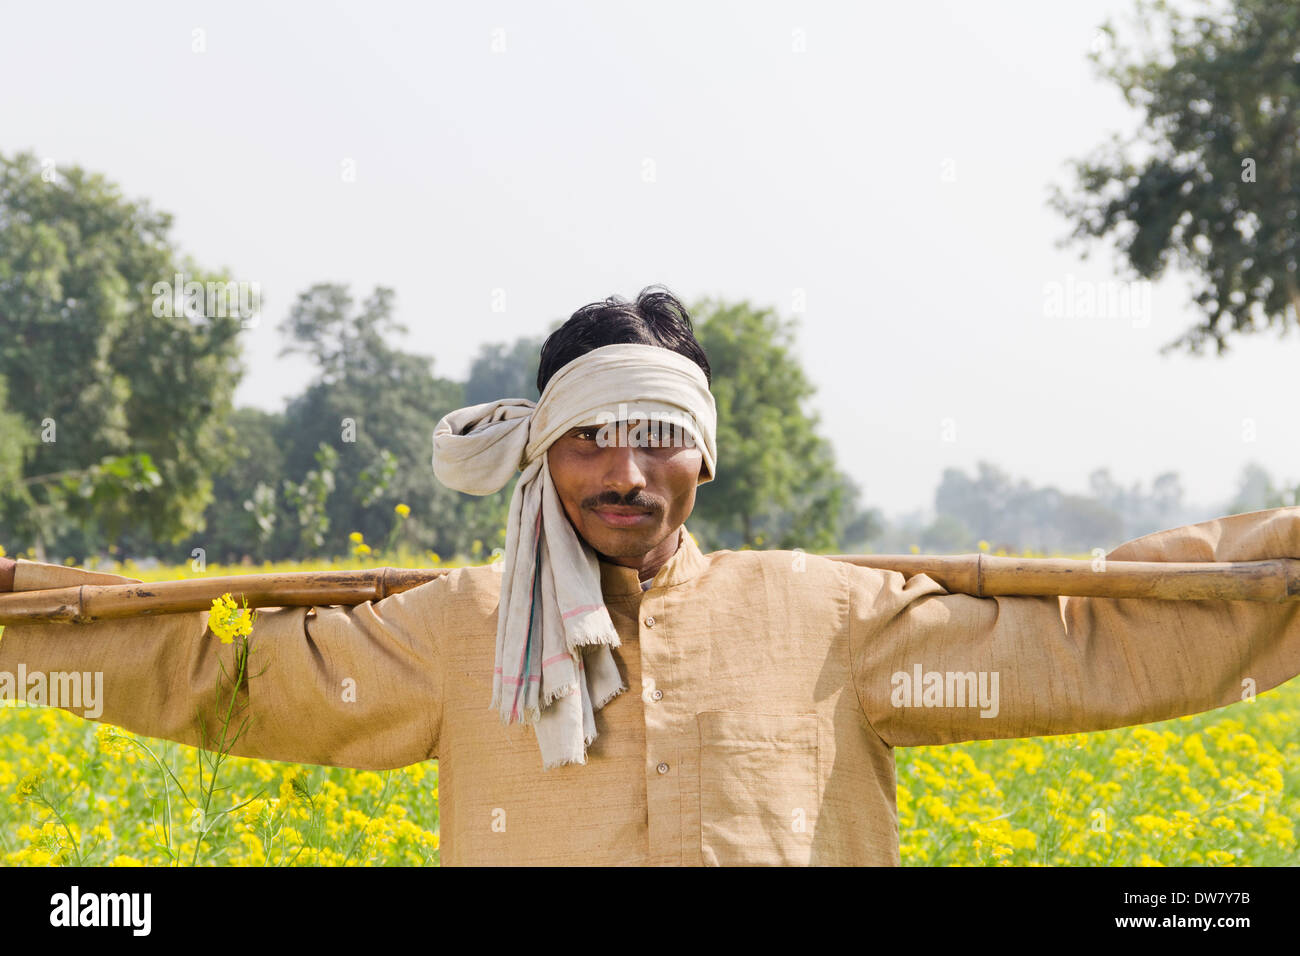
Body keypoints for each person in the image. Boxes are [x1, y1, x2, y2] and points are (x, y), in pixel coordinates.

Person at [1, 285, 1299, 866]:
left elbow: (1091, 639)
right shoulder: (462, 628)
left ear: (706, 460)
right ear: (541, 457)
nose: (627, 470)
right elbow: (214, 673)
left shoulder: (831, 616)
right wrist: (23, 619)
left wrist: (1273, 565)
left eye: (659, 436)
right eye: (592, 438)